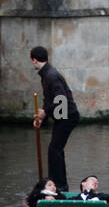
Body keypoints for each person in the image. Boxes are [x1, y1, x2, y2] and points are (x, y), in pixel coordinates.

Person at [30, 45, 80, 193]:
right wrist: (42, 119)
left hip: (68, 116)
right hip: (62, 116)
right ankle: (59, 185)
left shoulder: (50, 75)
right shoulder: (47, 75)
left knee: (54, 149)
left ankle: (58, 186)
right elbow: (48, 99)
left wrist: (45, 112)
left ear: (33, 60)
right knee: (56, 149)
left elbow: (61, 99)